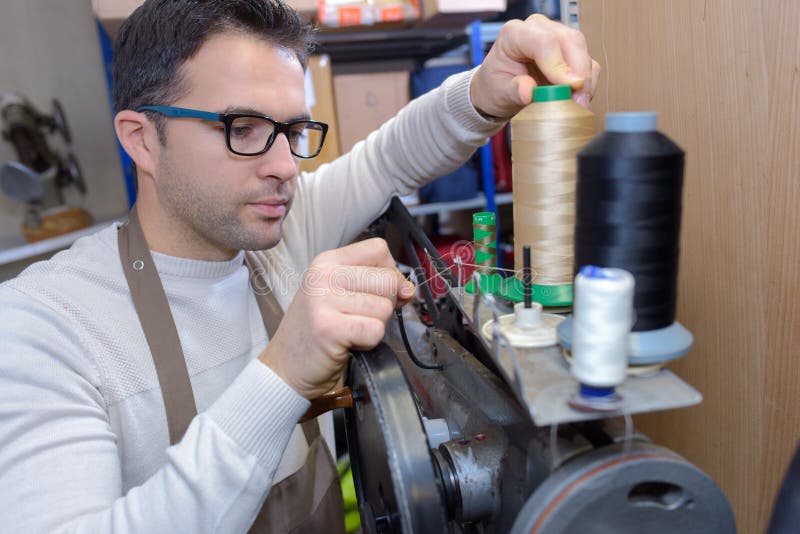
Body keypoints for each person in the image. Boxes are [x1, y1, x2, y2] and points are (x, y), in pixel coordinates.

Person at [0, 0, 599, 532]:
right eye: (246, 128)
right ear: (140, 139)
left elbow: (388, 157)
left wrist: (486, 89)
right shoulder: (44, 328)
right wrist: (282, 373)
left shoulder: (280, 231)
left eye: (292, 130)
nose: (286, 166)